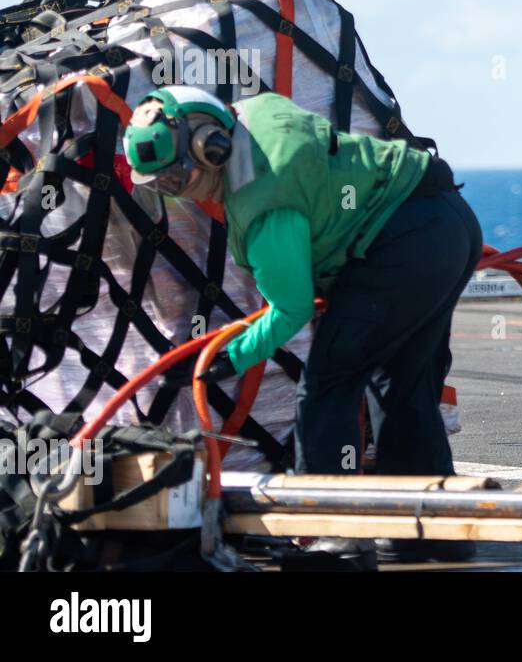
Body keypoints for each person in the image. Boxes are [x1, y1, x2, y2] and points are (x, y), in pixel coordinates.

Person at [123, 85, 482, 564]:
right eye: (163, 187)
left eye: (175, 178)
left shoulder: (263, 203)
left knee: (327, 386)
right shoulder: (251, 116)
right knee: (401, 388)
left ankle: (333, 536)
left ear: (210, 147)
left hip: (401, 247)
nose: (179, 192)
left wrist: (229, 359)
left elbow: (289, 310)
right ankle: (431, 532)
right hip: (447, 224)